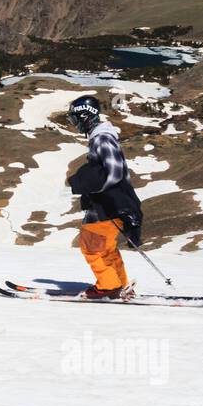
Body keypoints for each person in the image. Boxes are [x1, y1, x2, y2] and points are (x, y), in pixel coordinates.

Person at [66, 95, 144, 300]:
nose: (74, 124)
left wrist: (88, 184)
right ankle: (119, 283)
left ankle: (109, 287)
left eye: (75, 119)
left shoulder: (102, 138)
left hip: (106, 206)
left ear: (85, 116)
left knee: (91, 247)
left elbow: (115, 172)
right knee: (106, 249)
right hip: (110, 204)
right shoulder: (100, 136)